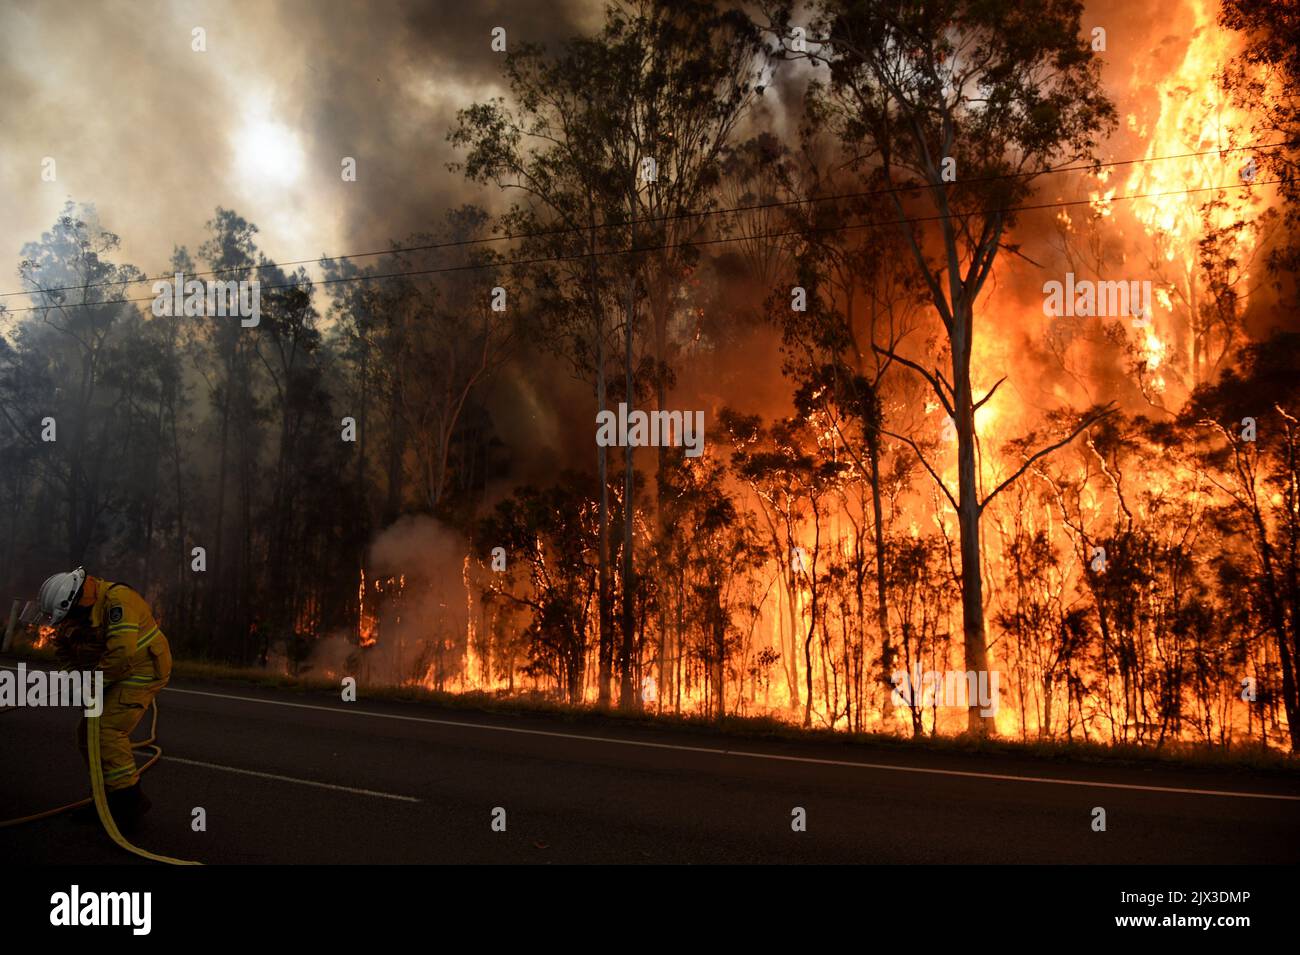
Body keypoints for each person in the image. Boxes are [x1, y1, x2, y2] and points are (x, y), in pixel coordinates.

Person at [35, 567, 173, 828]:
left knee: (107, 731)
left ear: (78, 601)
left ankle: (128, 803)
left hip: (142, 671)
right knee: (86, 732)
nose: (68, 621)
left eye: (70, 615)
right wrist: (73, 681)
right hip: (111, 672)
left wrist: (91, 686)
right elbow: (64, 652)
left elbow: (121, 653)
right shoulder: (76, 613)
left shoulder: (119, 601)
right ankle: (104, 795)